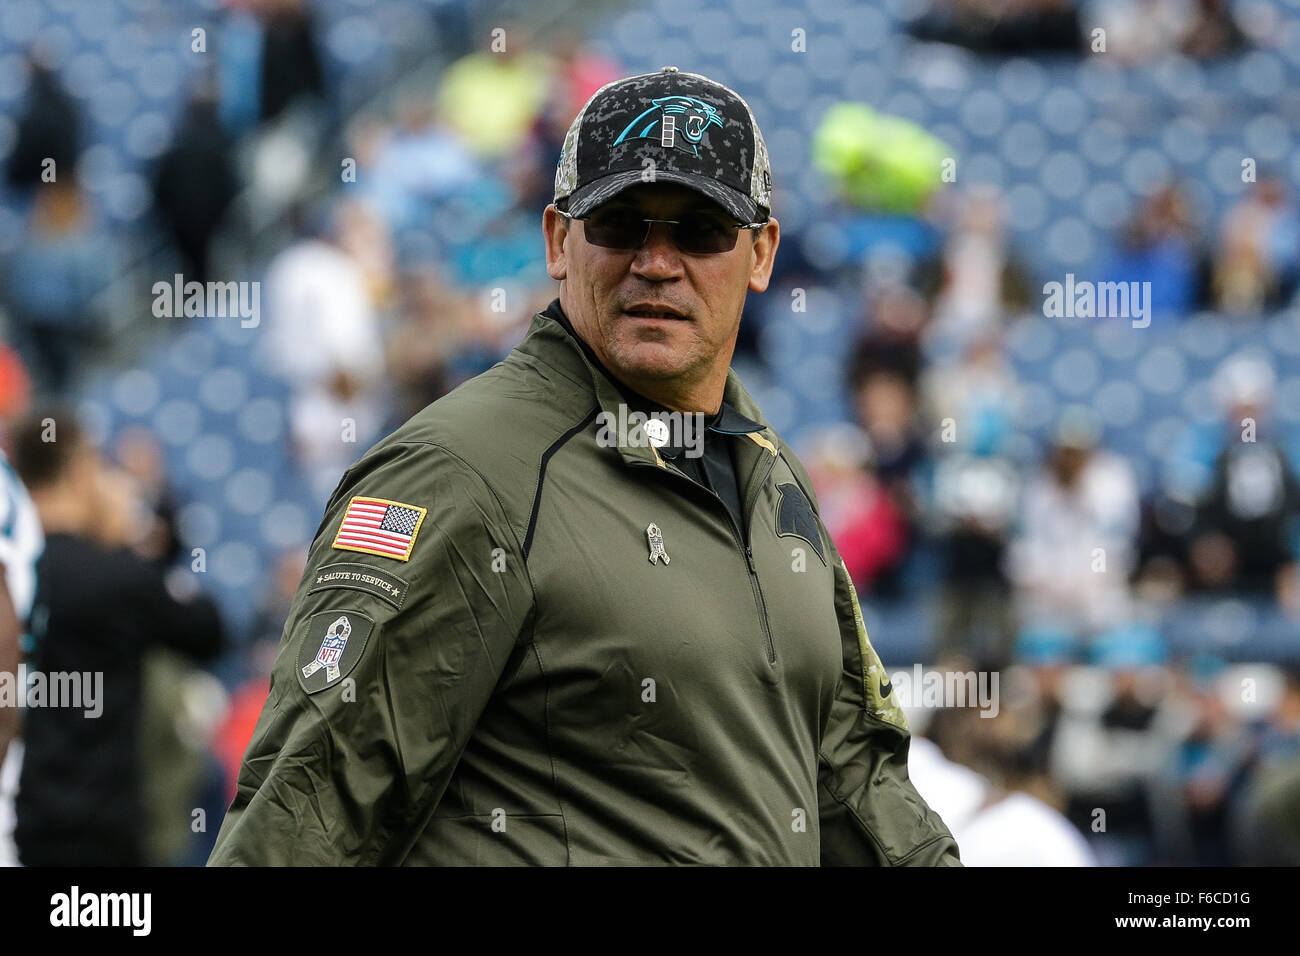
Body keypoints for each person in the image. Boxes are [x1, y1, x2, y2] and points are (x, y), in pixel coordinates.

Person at [210, 67, 960, 866]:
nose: (658, 262)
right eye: (620, 224)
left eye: (701, 229)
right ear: (557, 243)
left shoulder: (767, 472)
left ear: (763, 253)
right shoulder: (455, 474)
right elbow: (301, 821)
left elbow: (852, 778)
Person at [10, 412, 224, 866]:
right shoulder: (115, 577)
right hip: (99, 834)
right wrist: (138, 543)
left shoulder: (14, 574)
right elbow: (208, 631)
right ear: (81, 469)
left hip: (21, 824)